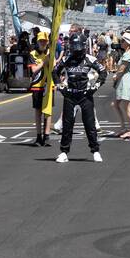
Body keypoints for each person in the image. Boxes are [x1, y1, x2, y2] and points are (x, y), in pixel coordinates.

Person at [53, 33, 107, 162]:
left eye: (78, 46)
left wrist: (95, 87)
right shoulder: (67, 59)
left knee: (90, 124)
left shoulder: (90, 59)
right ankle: (64, 152)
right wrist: (60, 86)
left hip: (85, 95)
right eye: (74, 46)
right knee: (67, 125)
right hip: (70, 95)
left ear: (83, 46)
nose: (76, 49)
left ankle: (95, 151)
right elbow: (54, 71)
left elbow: (103, 72)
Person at [112, 32, 130, 140]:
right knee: (116, 104)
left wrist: (115, 76)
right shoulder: (128, 53)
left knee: (127, 107)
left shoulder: (128, 54)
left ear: (127, 43)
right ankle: (124, 127)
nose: (121, 42)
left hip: (126, 83)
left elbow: (122, 69)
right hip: (124, 83)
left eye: (123, 41)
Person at [28, 32, 52, 147]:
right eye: (41, 41)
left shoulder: (50, 53)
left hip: (48, 85)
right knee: (38, 111)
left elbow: (54, 67)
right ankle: (38, 136)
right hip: (37, 85)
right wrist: (43, 62)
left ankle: (46, 136)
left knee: (48, 111)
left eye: (45, 41)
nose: (43, 43)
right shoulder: (32, 54)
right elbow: (33, 70)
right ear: (37, 42)